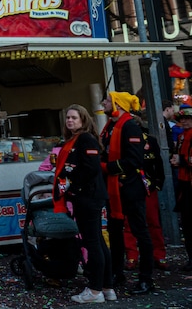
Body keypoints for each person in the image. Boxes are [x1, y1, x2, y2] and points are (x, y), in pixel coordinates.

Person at [55, 104, 114, 304]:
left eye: (74, 117)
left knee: (93, 243)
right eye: (68, 118)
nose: (70, 121)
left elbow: (91, 168)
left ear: (83, 120)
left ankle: (95, 290)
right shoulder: (75, 139)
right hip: (87, 196)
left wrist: (73, 186)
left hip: (88, 197)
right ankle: (107, 287)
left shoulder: (86, 139)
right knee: (97, 241)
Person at [100, 91, 153, 295]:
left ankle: (146, 279)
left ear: (117, 104)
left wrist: (106, 167)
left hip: (129, 187)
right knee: (114, 232)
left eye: (106, 100)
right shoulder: (110, 126)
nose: (103, 102)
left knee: (141, 233)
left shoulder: (130, 126)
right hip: (113, 188)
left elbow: (134, 161)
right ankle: (117, 273)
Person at [123, 119, 167, 271]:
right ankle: (132, 256)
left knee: (153, 222)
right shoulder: (122, 140)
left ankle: (159, 255)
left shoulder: (151, 140)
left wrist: (158, 182)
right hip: (130, 186)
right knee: (129, 224)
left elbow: (159, 163)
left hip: (148, 187)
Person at [170, 106, 192, 272]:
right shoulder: (182, 135)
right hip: (184, 183)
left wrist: (181, 161)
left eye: (187, 118)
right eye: (181, 118)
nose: (184, 121)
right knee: (187, 223)